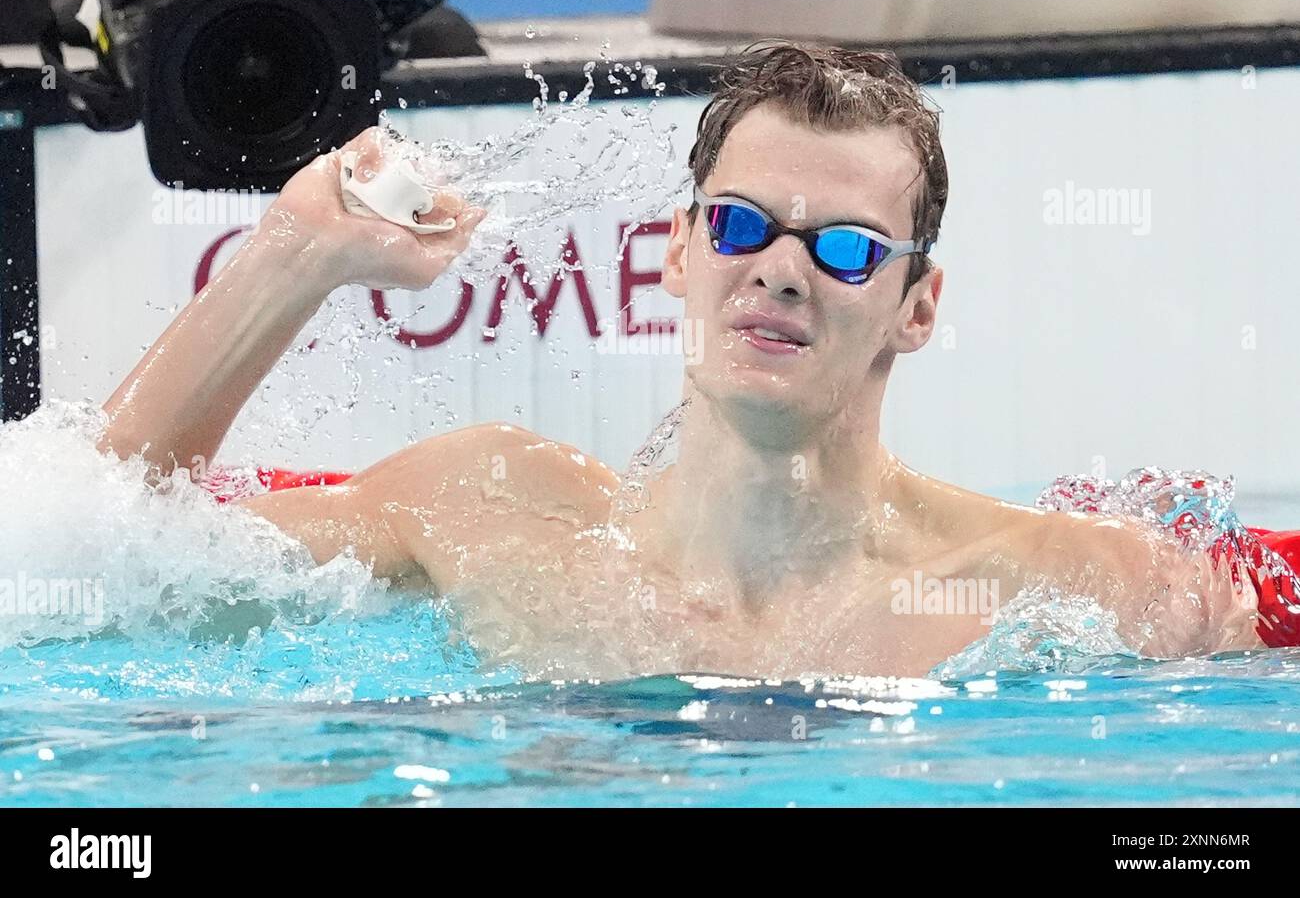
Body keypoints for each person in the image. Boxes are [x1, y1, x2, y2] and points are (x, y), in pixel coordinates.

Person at [96, 40, 1266, 678]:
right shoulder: (485, 512)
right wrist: (291, 256)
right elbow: (110, 557)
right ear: (679, 252)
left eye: (848, 248)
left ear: (917, 307)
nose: (780, 270)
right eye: (743, 224)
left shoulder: (1069, 581)